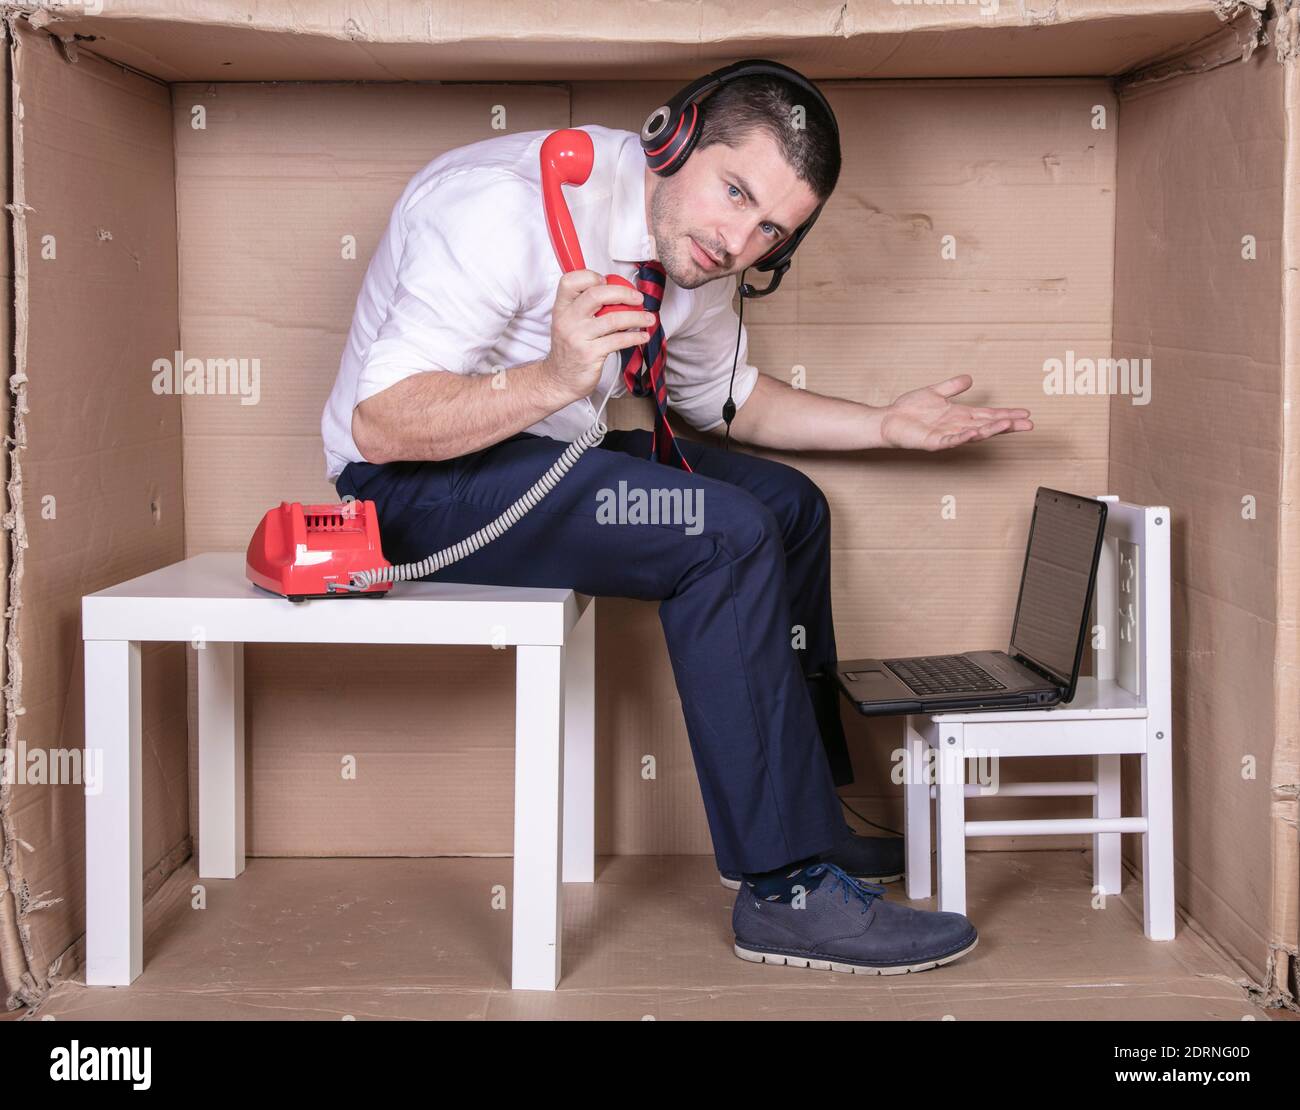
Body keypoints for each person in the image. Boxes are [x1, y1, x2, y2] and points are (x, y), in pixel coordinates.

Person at [321, 61, 1033, 975]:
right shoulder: (494, 208)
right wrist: (551, 378)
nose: (739, 240)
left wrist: (885, 424)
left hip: (540, 456)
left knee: (788, 506)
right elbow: (383, 418)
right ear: (673, 140)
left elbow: (726, 398)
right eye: (735, 192)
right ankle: (783, 888)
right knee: (721, 533)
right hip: (409, 487)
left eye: (771, 227)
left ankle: (810, 812)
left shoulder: (698, 255)